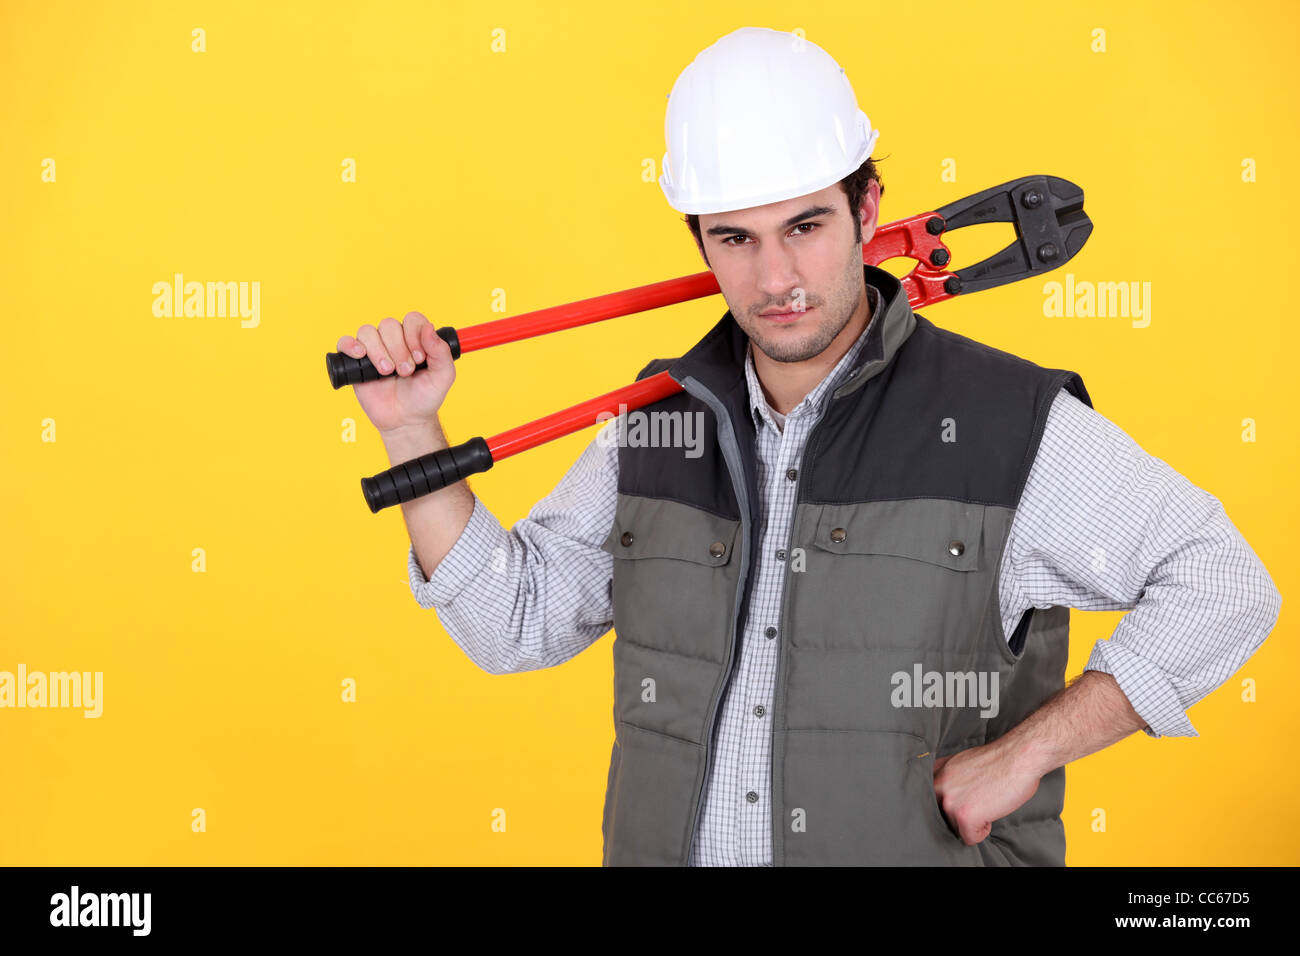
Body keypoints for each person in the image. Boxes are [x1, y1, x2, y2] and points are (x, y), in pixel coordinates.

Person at [336, 27, 1282, 866]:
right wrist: (413, 429)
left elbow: (1225, 584)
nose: (776, 277)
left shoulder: (1008, 424)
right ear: (700, 243)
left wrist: (1025, 755)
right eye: (735, 239)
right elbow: (516, 625)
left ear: (870, 211)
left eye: (806, 226)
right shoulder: (654, 428)